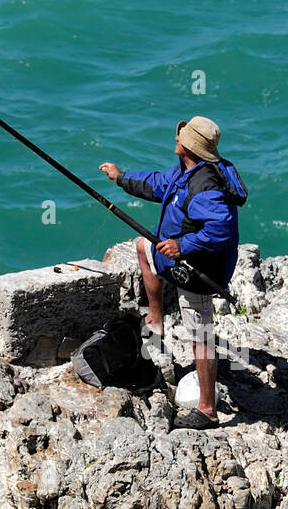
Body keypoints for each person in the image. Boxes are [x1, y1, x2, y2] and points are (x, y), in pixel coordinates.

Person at [98, 116, 246, 430]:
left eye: (181, 136)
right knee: (143, 247)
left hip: (198, 271)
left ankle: (207, 410)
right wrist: (120, 178)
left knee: (201, 337)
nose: (175, 138)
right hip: (176, 258)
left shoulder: (206, 186)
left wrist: (182, 246)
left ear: (189, 147)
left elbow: (220, 232)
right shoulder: (185, 170)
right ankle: (155, 319)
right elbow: (156, 184)